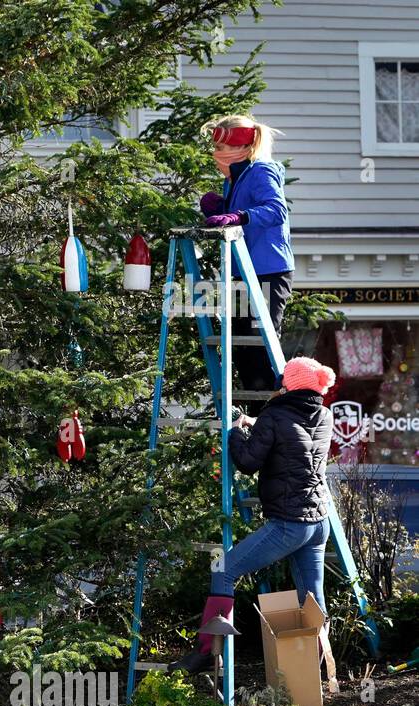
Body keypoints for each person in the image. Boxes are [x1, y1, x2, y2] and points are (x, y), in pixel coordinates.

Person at [172, 357, 337, 675]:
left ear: (286, 385)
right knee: (312, 600)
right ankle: (319, 670)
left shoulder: (274, 416)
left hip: (290, 524)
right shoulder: (324, 415)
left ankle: (208, 652)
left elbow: (248, 461)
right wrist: (253, 423)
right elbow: (291, 436)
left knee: (224, 572)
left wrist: (235, 431)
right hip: (319, 523)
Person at [199, 114, 293, 402]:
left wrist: (239, 215)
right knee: (241, 349)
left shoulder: (261, 171)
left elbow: (276, 210)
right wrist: (222, 205)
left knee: (259, 346)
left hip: (267, 270)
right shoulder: (235, 180)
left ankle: (274, 412)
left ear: (241, 149)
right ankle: (253, 415)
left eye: (220, 148)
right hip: (243, 272)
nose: (215, 155)